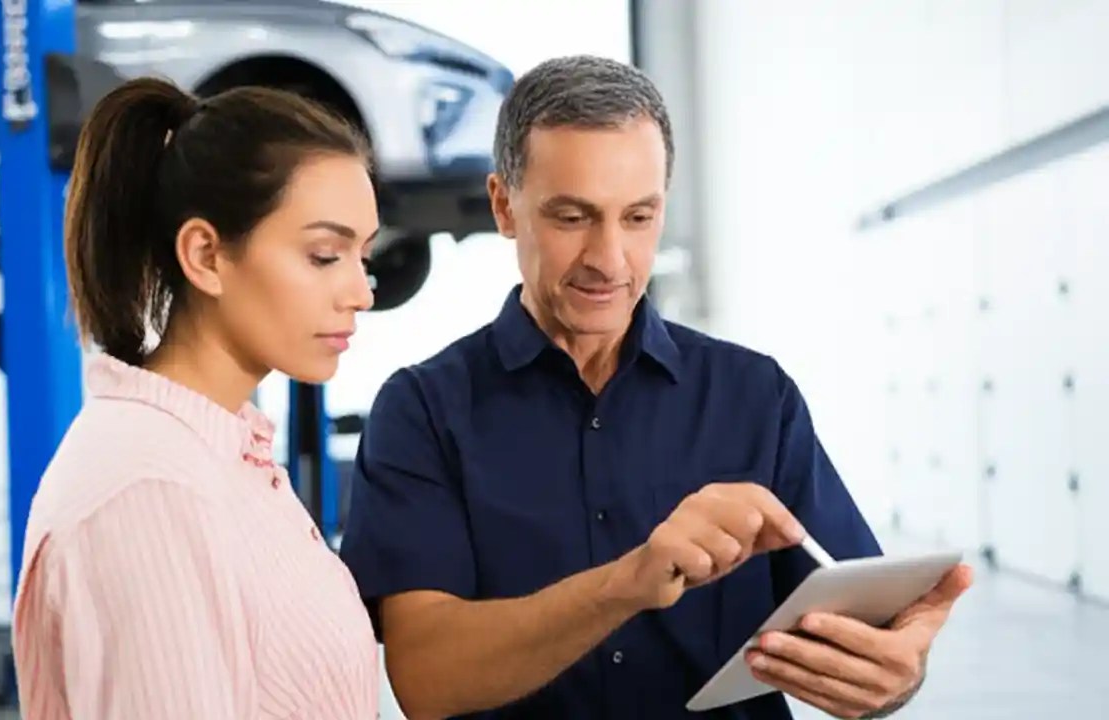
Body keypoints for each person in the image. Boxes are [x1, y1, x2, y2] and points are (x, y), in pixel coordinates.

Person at [340, 55, 973, 720]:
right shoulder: (423, 411)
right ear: (504, 205)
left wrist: (894, 673)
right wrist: (627, 584)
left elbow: (866, 632)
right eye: (572, 217)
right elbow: (427, 681)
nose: (609, 259)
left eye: (638, 217)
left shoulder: (757, 397)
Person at [11, 77, 381, 719]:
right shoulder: (150, 492)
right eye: (325, 255)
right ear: (206, 255)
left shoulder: (222, 457)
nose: (361, 292)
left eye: (363, 256)